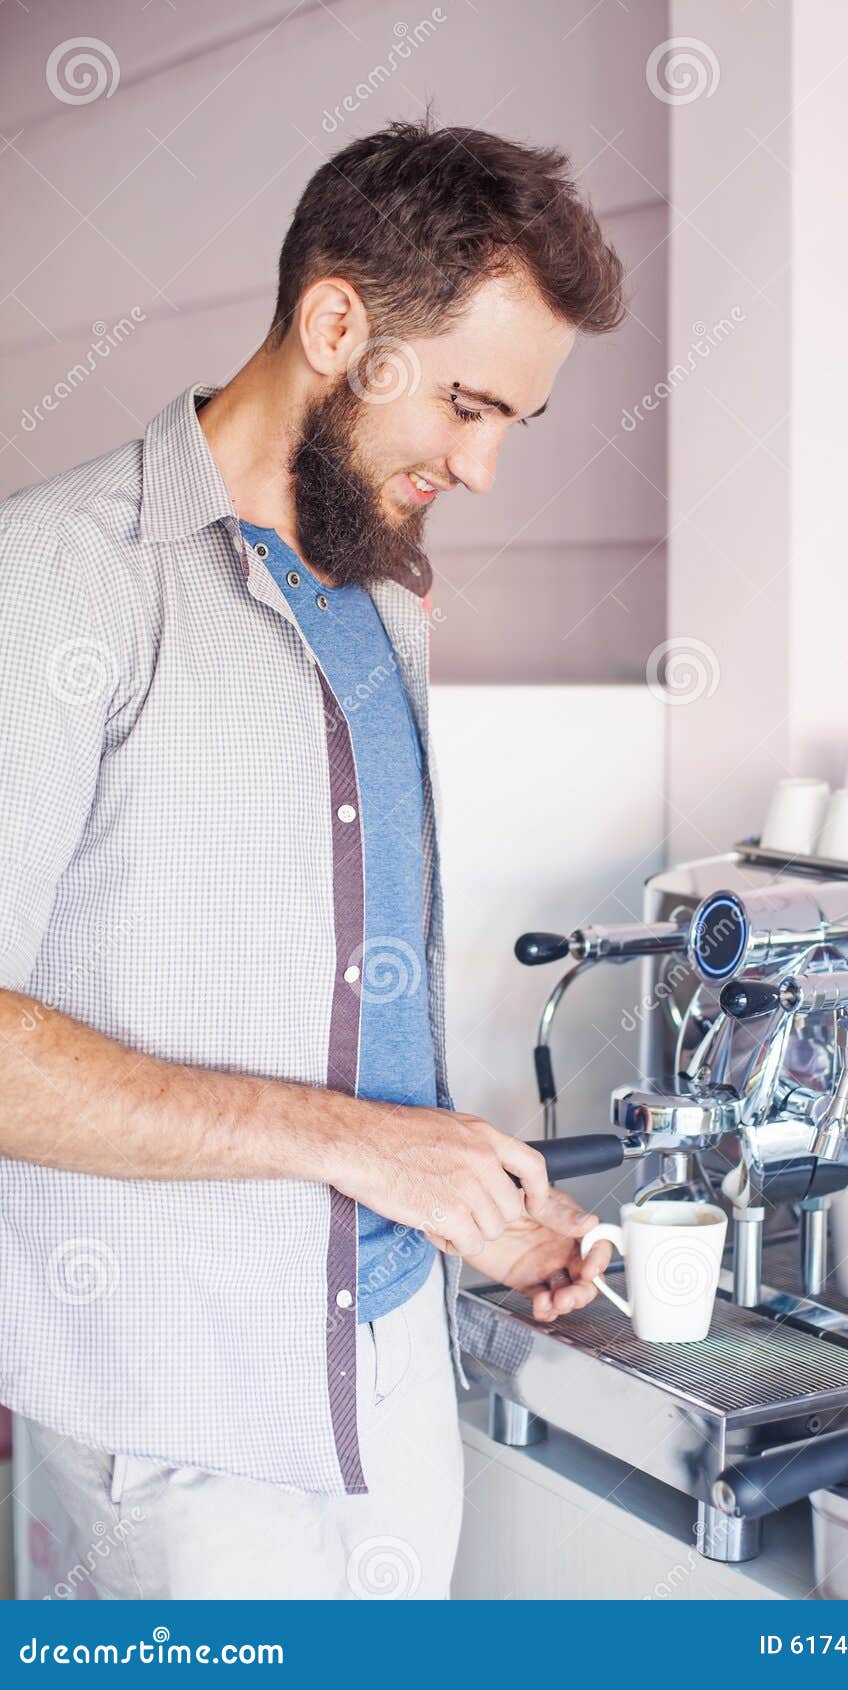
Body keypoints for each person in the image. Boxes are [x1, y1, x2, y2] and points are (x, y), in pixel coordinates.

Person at [0, 116, 625, 1600]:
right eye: (469, 405)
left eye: (509, 427)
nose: (480, 470)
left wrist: (468, 1202)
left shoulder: (388, 606)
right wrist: (364, 1148)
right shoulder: (59, 578)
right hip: (177, 1414)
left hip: (398, 1373)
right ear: (336, 320)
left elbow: (345, 1005)